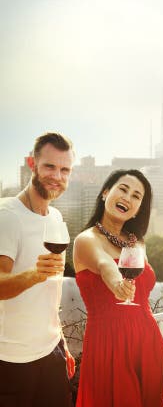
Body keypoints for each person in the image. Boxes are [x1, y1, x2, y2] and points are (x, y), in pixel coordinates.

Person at [71, 169, 163, 406]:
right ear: (105, 193)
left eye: (136, 196)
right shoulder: (86, 239)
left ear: (139, 207)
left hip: (148, 342)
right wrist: (117, 284)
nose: (127, 198)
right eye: (122, 189)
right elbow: (105, 265)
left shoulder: (138, 242)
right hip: (109, 344)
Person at [0, 132, 75, 407]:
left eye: (65, 169)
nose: (57, 175)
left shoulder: (56, 218)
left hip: (50, 353)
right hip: (10, 361)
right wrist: (34, 274)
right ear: (32, 163)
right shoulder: (7, 216)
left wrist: (61, 342)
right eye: (49, 166)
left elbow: (50, 293)